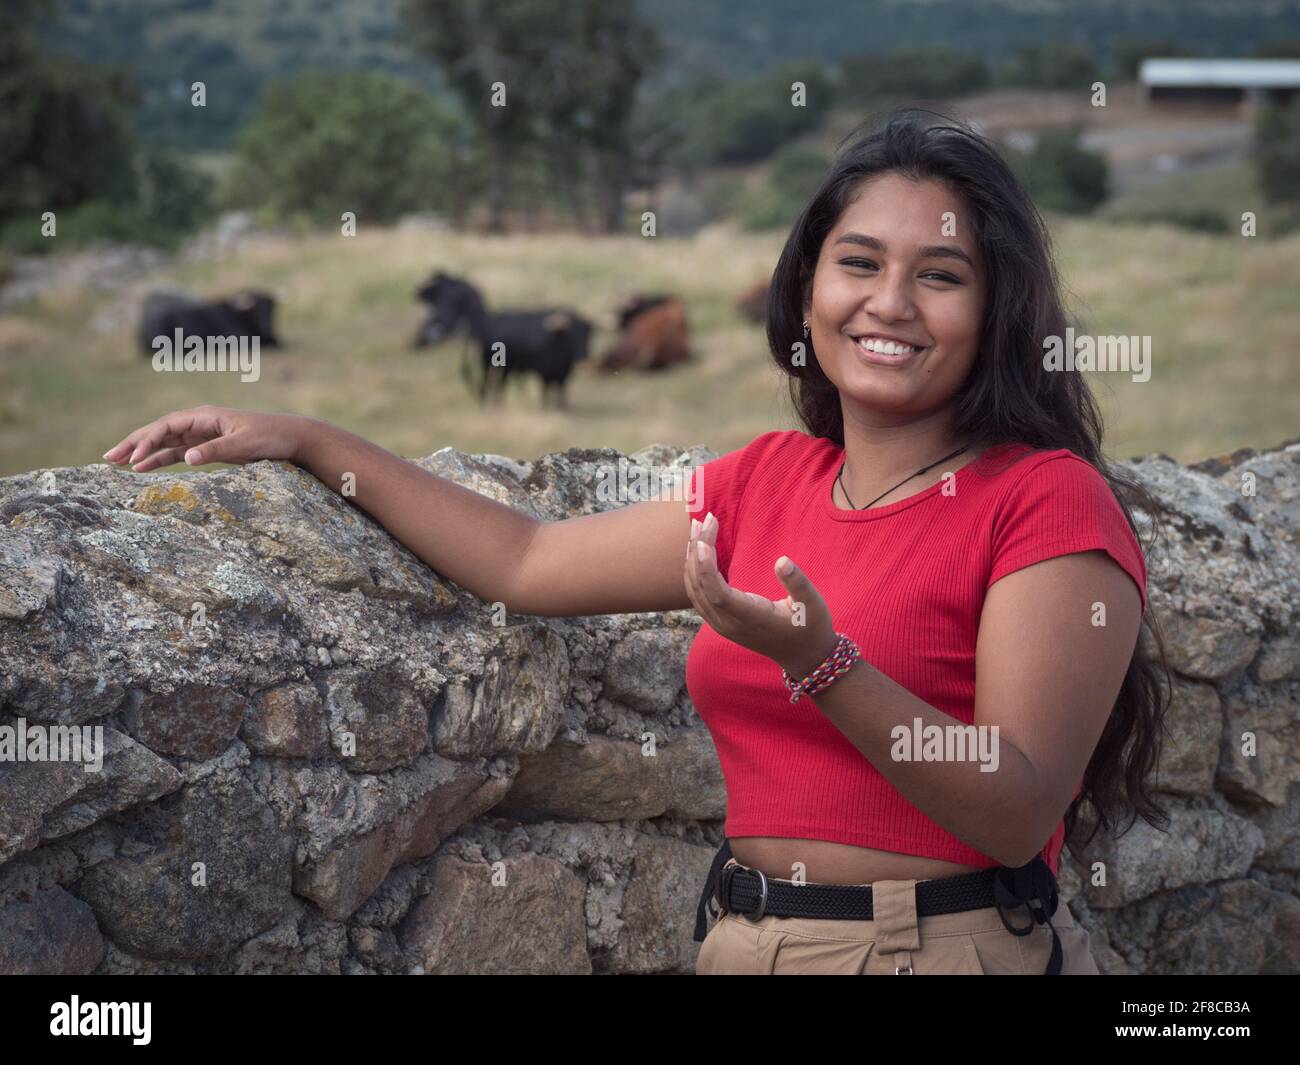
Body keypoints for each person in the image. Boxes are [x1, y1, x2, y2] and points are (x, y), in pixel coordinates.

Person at [103, 108, 1172, 976]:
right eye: (858, 264)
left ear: (995, 309)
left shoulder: (1043, 501)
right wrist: (304, 437)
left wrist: (823, 665)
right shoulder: (765, 480)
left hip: (939, 950)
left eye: (940, 276)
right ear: (807, 290)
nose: (888, 302)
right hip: (746, 941)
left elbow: (1017, 804)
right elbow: (526, 562)